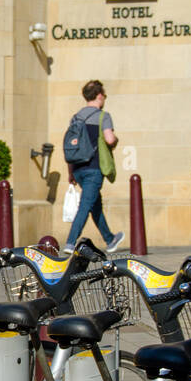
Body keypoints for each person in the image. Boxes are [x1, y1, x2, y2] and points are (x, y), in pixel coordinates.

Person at [65, 80, 124, 252]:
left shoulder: (75, 118)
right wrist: (115, 141)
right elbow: (110, 139)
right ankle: (70, 242)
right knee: (86, 204)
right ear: (99, 96)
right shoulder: (102, 116)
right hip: (94, 168)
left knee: (94, 204)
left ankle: (110, 239)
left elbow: (71, 145)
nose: (104, 98)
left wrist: (71, 173)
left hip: (78, 169)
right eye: (104, 95)